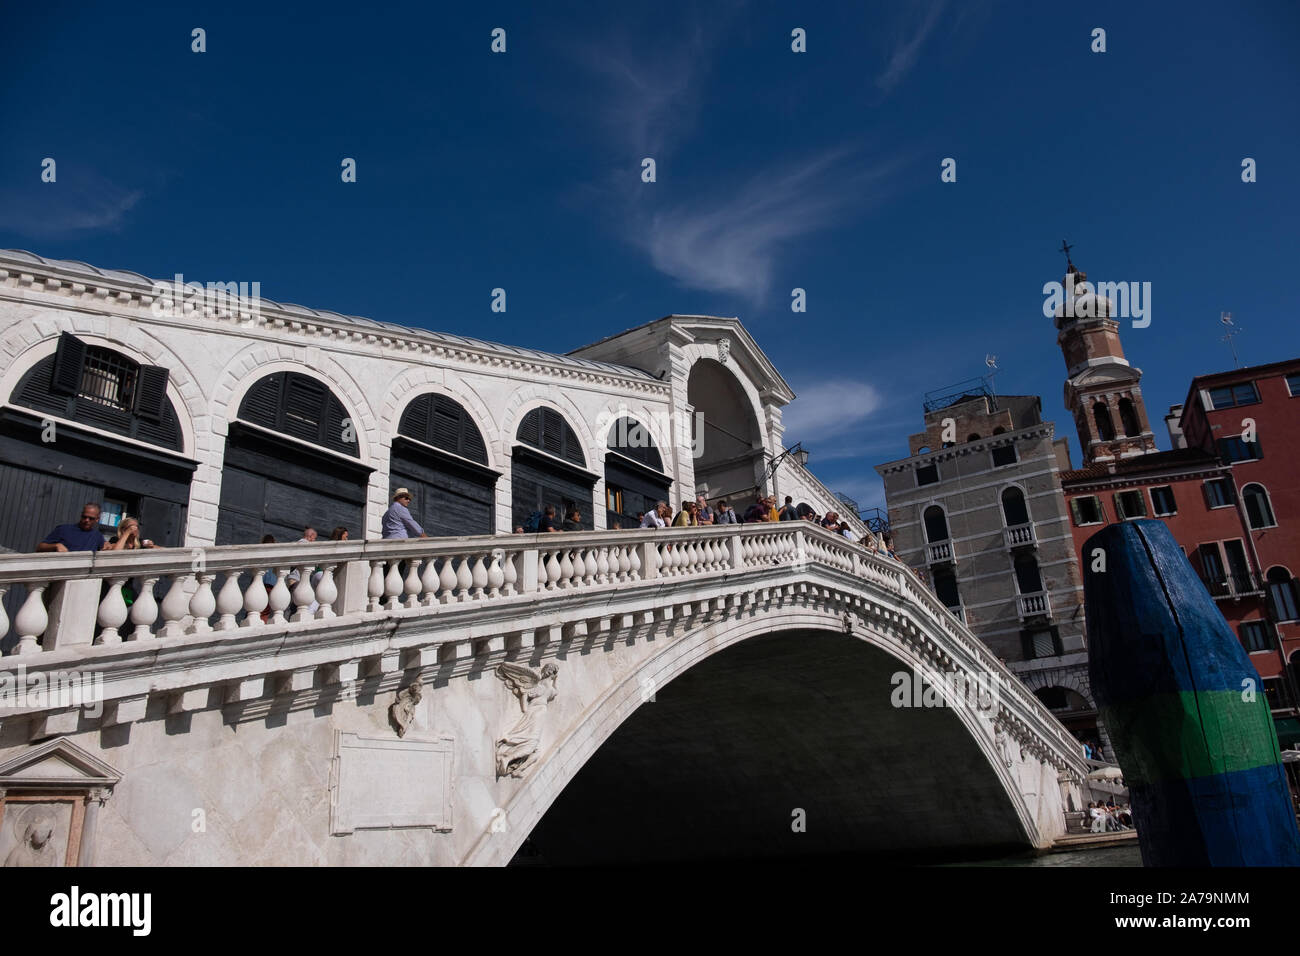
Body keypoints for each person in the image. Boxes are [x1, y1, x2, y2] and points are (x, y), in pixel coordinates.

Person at [37, 503, 106, 553]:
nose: (86, 520)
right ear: (81, 515)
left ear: (97, 519)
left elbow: (108, 548)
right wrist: (56, 545)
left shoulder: (98, 536)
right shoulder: (63, 529)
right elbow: (40, 547)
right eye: (84, 517)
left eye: (91, 518)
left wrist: (109, 545)